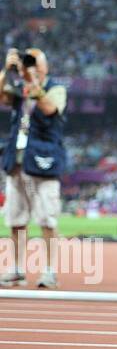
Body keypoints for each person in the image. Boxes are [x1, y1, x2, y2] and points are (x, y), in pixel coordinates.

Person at [1, 48, 67, 289]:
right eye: (26, 63)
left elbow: (49, 109)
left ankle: (49, 271)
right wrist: (6, 71)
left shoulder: (56, 88)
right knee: (16, 219)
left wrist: (32, 81)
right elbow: (1, 97)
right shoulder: (18, 89)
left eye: (34, 63)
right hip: (17, 161)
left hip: (44, 161)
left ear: (45, 67)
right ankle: (17, 269)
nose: (29, 67)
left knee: (47, 219)